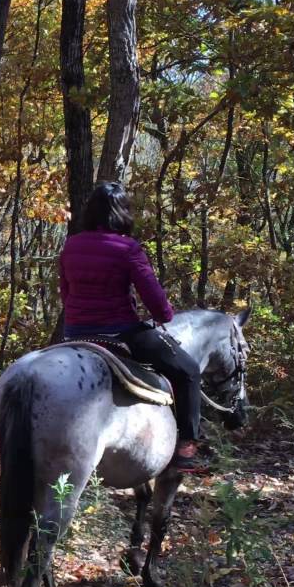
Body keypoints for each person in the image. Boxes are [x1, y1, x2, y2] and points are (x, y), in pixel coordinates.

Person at [59, 181, 205, 474]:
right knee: (188, 370)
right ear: (122, 212)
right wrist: (164, 314)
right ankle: (187, 448)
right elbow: (154, 299)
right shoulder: (128, 248)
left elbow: (65, 291)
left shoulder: (71, 244)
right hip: (120, 331)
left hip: (75, 332)